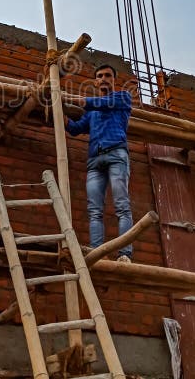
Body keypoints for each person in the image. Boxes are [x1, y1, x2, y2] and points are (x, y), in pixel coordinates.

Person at [65, 63, 134, 262]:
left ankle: (124, 254)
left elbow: (99, 103)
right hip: (95, 160)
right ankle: (97, 253)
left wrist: (69, 98)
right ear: (95, 81)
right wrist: (62, 116)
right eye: (100, 76)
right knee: (94, 210)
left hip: (116, 154)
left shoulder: (122, 97)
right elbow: (77, 128)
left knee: (121, 205)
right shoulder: (92, 111)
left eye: (108, 76)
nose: (104, 78)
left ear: (114, 80)